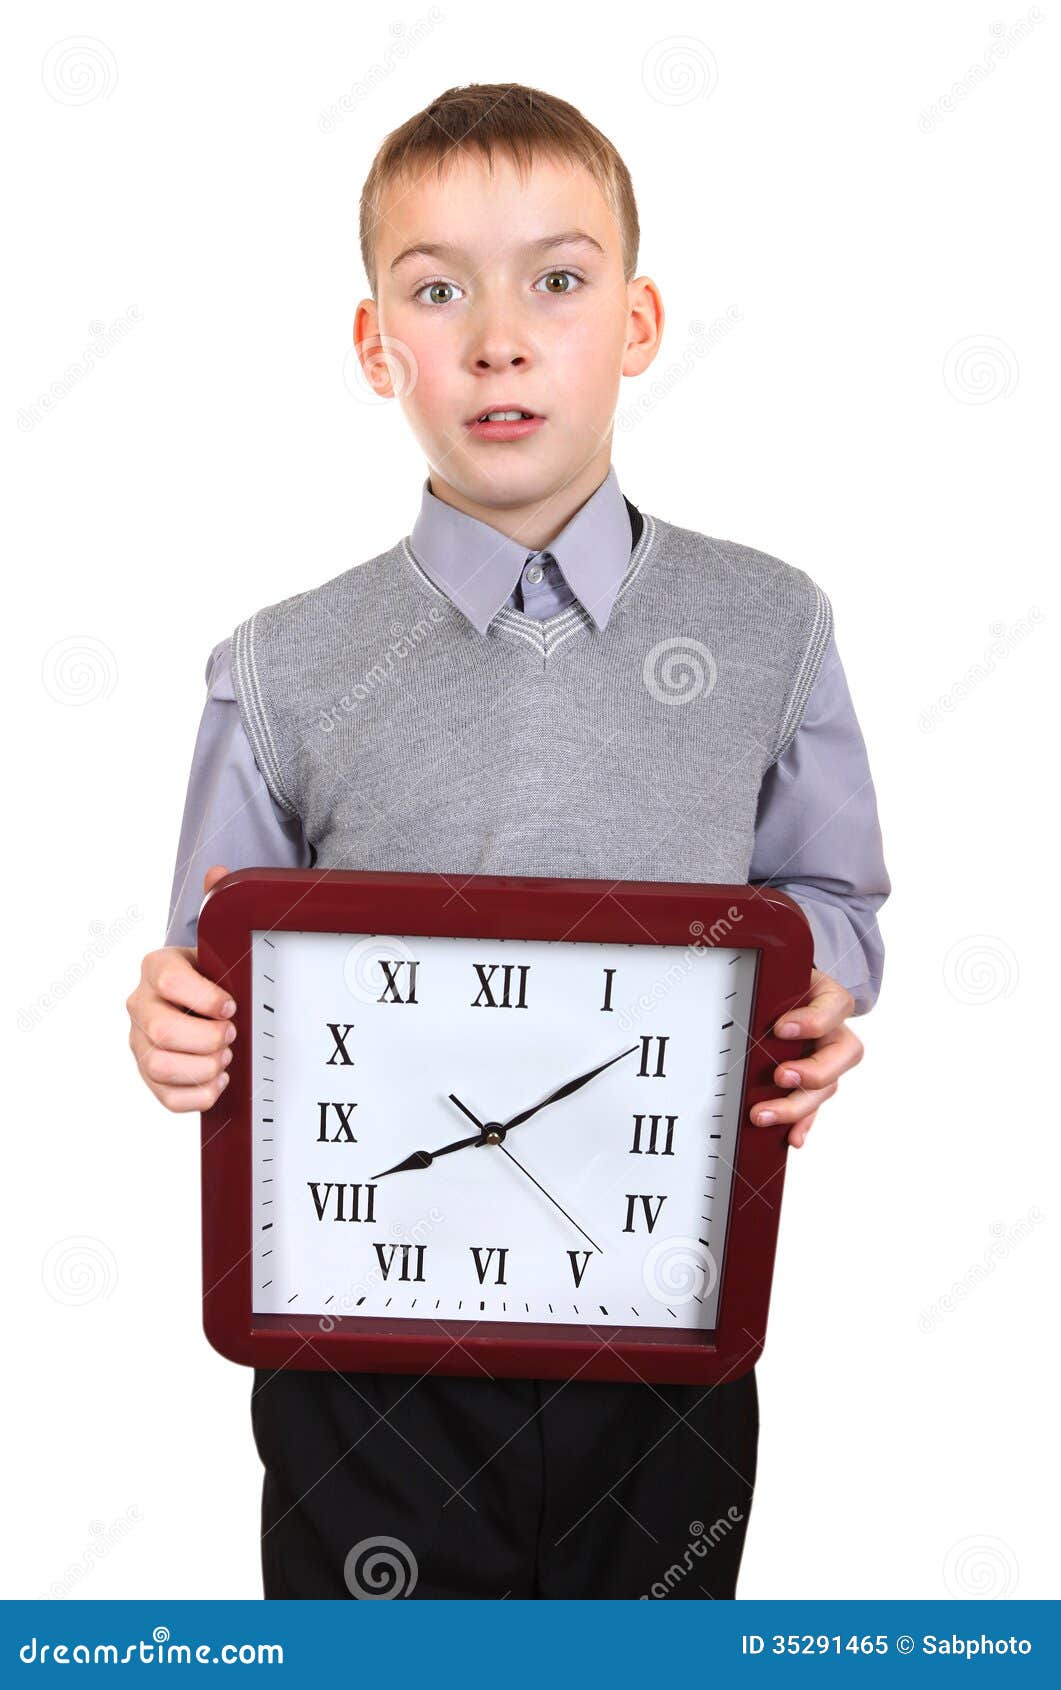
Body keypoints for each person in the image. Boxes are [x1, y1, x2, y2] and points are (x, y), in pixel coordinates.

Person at [126, 82, 890, 1599]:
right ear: (374, 346)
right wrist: (175, 1025)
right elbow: (216, 962)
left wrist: (823, 993)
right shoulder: (279, 664)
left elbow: (826, 895)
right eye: (435, 288)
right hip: (361, 1358)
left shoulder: (768, 624)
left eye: (557, 278)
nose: (498, 336)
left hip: (663, 1316)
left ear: (638, 319)